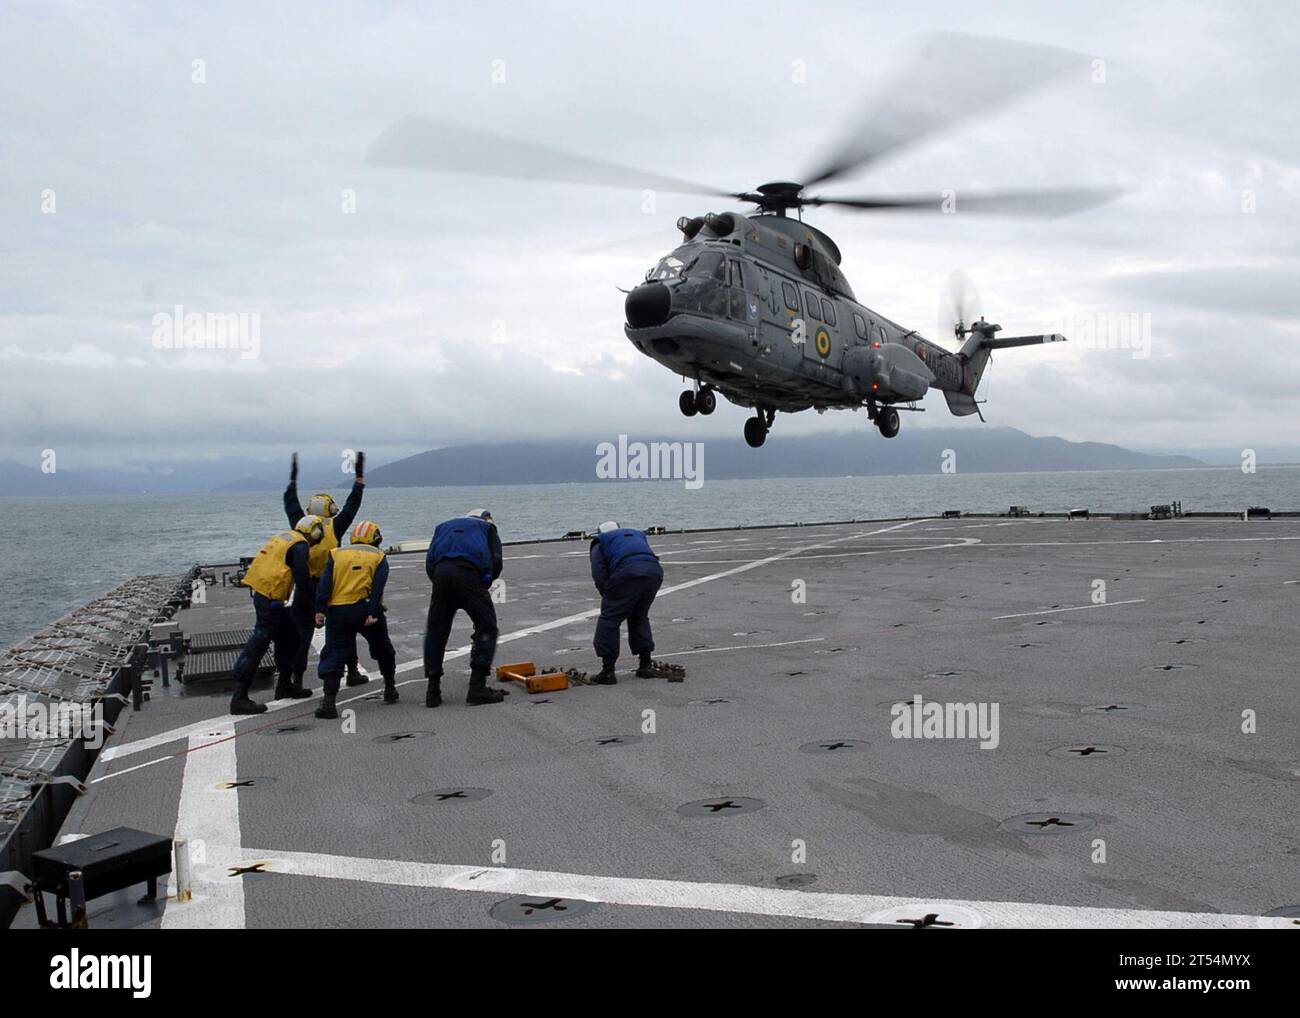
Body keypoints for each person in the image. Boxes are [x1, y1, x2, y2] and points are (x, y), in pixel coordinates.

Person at [282, 450, 366, 695]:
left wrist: (292, 480)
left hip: (305, 585)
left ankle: (295, 680)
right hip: (332, 586)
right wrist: (359, 480)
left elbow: (290, 503)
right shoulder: (336, 526)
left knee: (301, 635)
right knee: (343, 630)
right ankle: (352, 672)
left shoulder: (300, 524)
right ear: (331, 509)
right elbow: (352, 505)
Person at [232, 515, 325, 714]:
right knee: (260, 642)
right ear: (314, 532)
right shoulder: (300, 546)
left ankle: (284, 686)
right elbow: (303, 582)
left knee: (290, 635)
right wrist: (316, 610)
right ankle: (239, 697)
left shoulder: (285, 537)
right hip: (271, 598)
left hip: (264, 594)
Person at [313, 520, 397, 719]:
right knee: (383, 648)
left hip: (338, 611)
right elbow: (378, 588)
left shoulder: (336, 554)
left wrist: (320, 610)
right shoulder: (378, 556)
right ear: (376, 538)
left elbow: (325, 585)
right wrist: (373, 613)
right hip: (365, 608)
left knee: (333, 653)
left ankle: (329, 702)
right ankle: (390, 688)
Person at [423, 509, 505, 707]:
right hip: (469, 576)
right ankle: (477, 687)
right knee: (487, 626)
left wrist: (439, 581)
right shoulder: (488, 527)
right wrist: (484, 583)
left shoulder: (443, 527)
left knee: (436, 630)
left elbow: (430, 561)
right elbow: (496, 562)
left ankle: (432, 690)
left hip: (441, 575)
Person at [589, 521, 664, 684]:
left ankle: (608, 671)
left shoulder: (600, 541)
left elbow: (599, 572)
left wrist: (608, 596)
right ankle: (646, 665)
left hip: (627, 572)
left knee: (609, 619)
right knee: (639, 616)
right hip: (654, 572)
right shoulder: (635, 534)